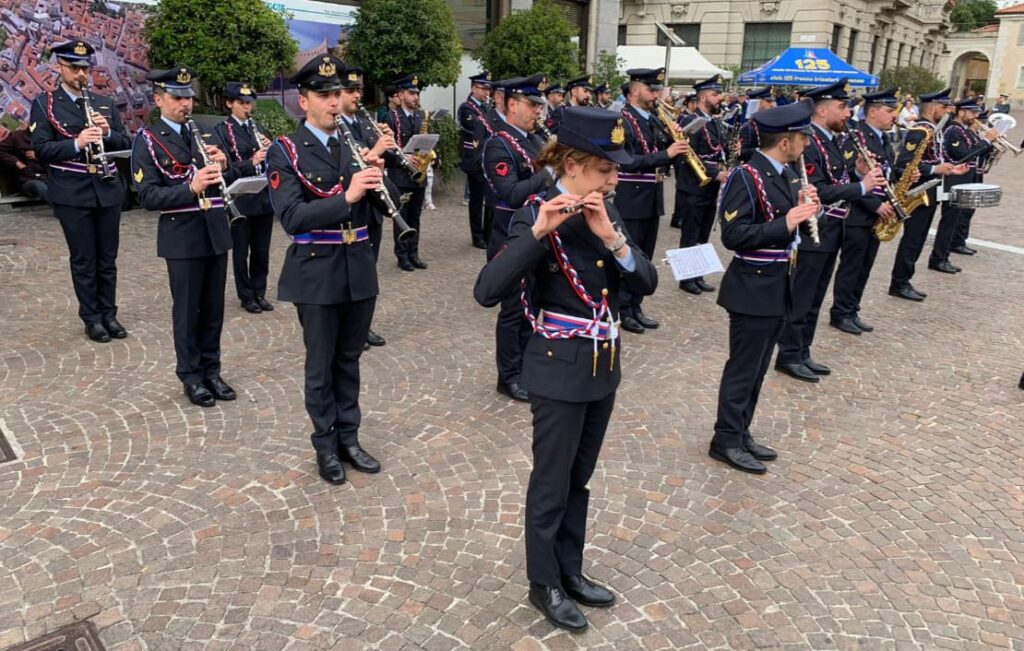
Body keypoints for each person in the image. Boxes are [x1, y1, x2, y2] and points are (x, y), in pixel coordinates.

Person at [474, 106, 656, 632]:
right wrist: (536, 232)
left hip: (603, 364)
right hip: (556, 366)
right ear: (574, 163)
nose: (616, 178)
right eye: (606, 168)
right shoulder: (535, 208)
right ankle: (544, 582)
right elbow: (487, 291)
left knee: (581, 477)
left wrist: (612, 239)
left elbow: (645, 282)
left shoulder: (606, 210)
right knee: (552, 481)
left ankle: (570, 570)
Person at [265, 55, 388, 484]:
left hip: (358, 266)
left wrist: (378, 184)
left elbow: (374, 211)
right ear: (304, 101)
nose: (335, 102)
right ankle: (325, 444)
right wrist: (350, 196)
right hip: (316, 270)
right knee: (321, 365)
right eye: (325, 95)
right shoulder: (286, 150)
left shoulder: (350, 143)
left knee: (349, 360)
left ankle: (350, 439)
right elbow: (293, 218)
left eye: (338, 94)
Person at [708, 100, 820, 474]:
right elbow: (734, 236)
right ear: (785, 141)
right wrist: (787, 222)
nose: (807, 144)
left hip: (777, 284)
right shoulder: (747, 175)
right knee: (743, 367)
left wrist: (807, 214)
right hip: (752, 286)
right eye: (802, 137)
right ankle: (725, 438)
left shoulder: (787, 174)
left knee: (758, 368)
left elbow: (792, 230)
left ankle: (741, 431)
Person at [131, 66, 238, 407]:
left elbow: (227, 175)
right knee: (188, 309)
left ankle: (212, 369)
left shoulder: (202, 132)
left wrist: (225, 166)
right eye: (177, 98)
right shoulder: (147, 140)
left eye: (188, 97)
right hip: (182, 235)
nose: (185, 104)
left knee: (213, 309)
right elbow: (147, 196)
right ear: (159, 99)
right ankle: (191, 375)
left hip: (215, 230)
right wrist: (189, 188)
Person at [775, 80, 884, 383]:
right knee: (802, 295)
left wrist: (859, 172)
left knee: (816, 296)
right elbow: (818, 188)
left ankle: (802, 351)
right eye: (842, 106)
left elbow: (834, 176)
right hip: (815, 229)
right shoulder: (808, 142)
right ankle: (788, 354)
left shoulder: (830, 140)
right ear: (821, 110)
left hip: (833, 227)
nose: (848, 112)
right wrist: (862, 186)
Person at [30, 40, 131, 342]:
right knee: (84, 258)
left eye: (85, 68)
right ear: (59, 68)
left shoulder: (104, 104)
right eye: (74, 68)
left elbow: (125, 145)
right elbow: (42, 150)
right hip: (72, 191)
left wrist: (107, 133)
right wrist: (77, 143)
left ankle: (109, 314)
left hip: (107, 189)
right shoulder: (45, 103)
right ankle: (92, 317)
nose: (81, 74)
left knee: (107, 258)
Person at [481, 75, 551, 403]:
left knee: (533, 304)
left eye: (539, 105)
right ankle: (507, 376)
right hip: (511, 237)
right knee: (514, 311)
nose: (537, 111)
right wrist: (548, 174)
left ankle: (525, 364)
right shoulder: (499, 143)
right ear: (512, 105)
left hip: (538, 234)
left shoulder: (535, 140)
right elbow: (510, 194)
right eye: (532, 105)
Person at [614, 67, 690, 333]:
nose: (656, 94)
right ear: (634, 91)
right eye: (651, 89)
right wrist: (666, 154)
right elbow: (627, 161)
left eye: (657, 89)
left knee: (644, 255)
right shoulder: (622, 120)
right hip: (632, 197)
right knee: (629, 256)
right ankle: (623, 309)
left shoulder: (654, 118)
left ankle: (636, 305)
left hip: (651, 197)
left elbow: (664, 151)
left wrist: (679, 140)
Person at [336, 64, 401, 350]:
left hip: (373, 209)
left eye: (358, 90)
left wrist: (391, 146)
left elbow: (389, 163)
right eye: (350, 91)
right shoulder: (334, 126)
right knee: (347, 275)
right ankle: (347, 330)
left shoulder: (364, 122)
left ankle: (363, 326)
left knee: (368, 272)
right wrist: (374, 152)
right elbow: (341, 170)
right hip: (350, 212)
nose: (356, 96)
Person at [828, 88, 899, 336]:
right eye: (889, 111)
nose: (894, 115)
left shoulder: (883, 137)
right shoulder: (855, 136)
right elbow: (848, 174)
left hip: (878, 213)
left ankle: (852, 309)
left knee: (865, 265)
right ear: (873, 111)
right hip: (858, 212)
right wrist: (875, 204)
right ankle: (840, 312)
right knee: (852, 265)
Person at [888, 89, 969, 297]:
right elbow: (905, 164)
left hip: (931, 192)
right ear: (933, 107)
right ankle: (899, 282)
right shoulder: (920, 130)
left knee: (919, 238)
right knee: (912, 239)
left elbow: (935, 160)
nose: (947, 111)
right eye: (943, 107)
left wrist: (950, 168)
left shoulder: (935, 129)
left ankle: (905, 280)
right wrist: (934, 170)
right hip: (918, 192)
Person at [212, 82, 275, 315]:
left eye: (249, 103)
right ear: (230, 103)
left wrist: (271, 149)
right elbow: (226, 169)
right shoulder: (221, 130)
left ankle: (260, 291)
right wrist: (253, 161)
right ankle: (246, 295)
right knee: (241, 251)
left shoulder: (257, 127)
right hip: (241, 199)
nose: (247, 108)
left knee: (262, 250)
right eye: (242, 103)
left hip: (263, 196)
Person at [674, 74, 728, 296]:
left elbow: (717, 150)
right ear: (703, 96)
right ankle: (686, 278)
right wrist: (715, 172)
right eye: (715, 95)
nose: (719, 99)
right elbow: (688, 155)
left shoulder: (714, 122)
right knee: (690, 233)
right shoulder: (690, 122)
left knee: (703, 232)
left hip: (710, 186)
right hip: (693, 185)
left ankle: (698, 273)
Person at [930, 98, 996, 270]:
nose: (975, 116)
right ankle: (938, 258)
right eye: (972, 112)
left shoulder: (964, 131)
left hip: (964, 179)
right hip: (953, 179)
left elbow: (977, 152)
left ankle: (945, 255)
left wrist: (991, 144)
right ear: (961, 112)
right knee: (949, 220)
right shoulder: (953, 130)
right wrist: (986, 141)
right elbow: (964, 155)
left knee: (957, 218)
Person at [383, 73, 430, 272]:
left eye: (417, 93)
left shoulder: (421, 116)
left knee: (416, 217)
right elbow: (386, 150)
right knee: (402, 216)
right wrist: (403, 158)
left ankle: (414, 253)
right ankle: (402, 255)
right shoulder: (390, 117)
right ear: (401, 95)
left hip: (418, 174)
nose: (415, 97)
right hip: (401, 176)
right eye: (411, 93)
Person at [458, 71, 494, 249]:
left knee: (488, 198)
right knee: (476, 200)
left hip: (486, 158)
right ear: (473, 88)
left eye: (488, 89)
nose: (486, 92)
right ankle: (477, 236)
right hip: (473, 159)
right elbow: (475, 125)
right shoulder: (466, 107)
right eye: (483, 88)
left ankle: (487, 233)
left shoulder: (487, 108)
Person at [0, 127, 49, 204]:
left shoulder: (50, 138)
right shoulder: (17, 136)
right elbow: (1, 150)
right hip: (27, 179)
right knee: (38, 186)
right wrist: (16, 162)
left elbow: (59, 155)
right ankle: (61, 208)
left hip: (48, 178)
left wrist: (39, 155)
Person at [735, 86, 775, 164]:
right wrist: (764, 151)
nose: (772, 105)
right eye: (768, 101)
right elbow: (741, 153)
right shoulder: (748, 127)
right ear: (757, 103)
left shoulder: (770, 123)